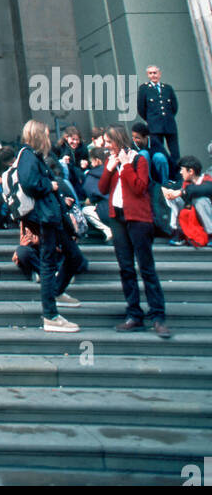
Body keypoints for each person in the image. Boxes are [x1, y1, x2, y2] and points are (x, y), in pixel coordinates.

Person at [98, 124, 170, 338]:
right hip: (118, 218)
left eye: (109, 142)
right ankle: (134, 314)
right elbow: (101, 189)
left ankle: (157, 316)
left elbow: (139, 187)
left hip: (138, 218)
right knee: (126, 268)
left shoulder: (139, 159)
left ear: (118, 141)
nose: (106, 145)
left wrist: (126, 165)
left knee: (146, 268)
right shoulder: (111, 161)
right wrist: (110, 168)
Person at [17, 119, 87, 332]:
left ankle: (56, 291)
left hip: (52, 215)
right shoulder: (28, 156)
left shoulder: (33, 156)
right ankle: (50, 315)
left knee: (75, 257)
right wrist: (50, 184)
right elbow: (29, 184)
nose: (49, 138)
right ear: (38, 135)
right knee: (48, 265)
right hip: (45, 217)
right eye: (45, 134)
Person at [137, 65, 180, 176]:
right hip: (155, 127)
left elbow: (174, 107)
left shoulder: (167, 88)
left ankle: (177, 175)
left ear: (159, 74)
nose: (153, 75)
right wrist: (151, 120)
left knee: (175, 152)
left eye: (155, 73)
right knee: (159, 153)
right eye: (151, 73)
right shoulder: (144, 89)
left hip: (169, 125)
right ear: (148, 75)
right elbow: (141, 109)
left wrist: (167, 118)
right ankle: (164, 176)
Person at [161, 157, 212, 245]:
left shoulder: (207, 179)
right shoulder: (186, 182)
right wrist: (166, 190)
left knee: (200, 200)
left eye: (182, 170)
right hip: (193, 220)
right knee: (173, 198)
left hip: (206, 220)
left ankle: (210, 234)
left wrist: (181, 192)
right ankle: (178, 232)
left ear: (191, 171)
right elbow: (170, 186)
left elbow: (202, 189)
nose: (180, 172)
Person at [130, 119, 170, 187]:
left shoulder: (154, 142)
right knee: (143, 154)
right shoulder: (132, 145)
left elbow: (166, 158)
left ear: (146, 137)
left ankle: (165, 184)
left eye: (137, 138)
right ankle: (148, 185)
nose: (134, 140)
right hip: (143, 176)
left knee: (159, 156)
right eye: (133, 137)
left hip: (156, 172)